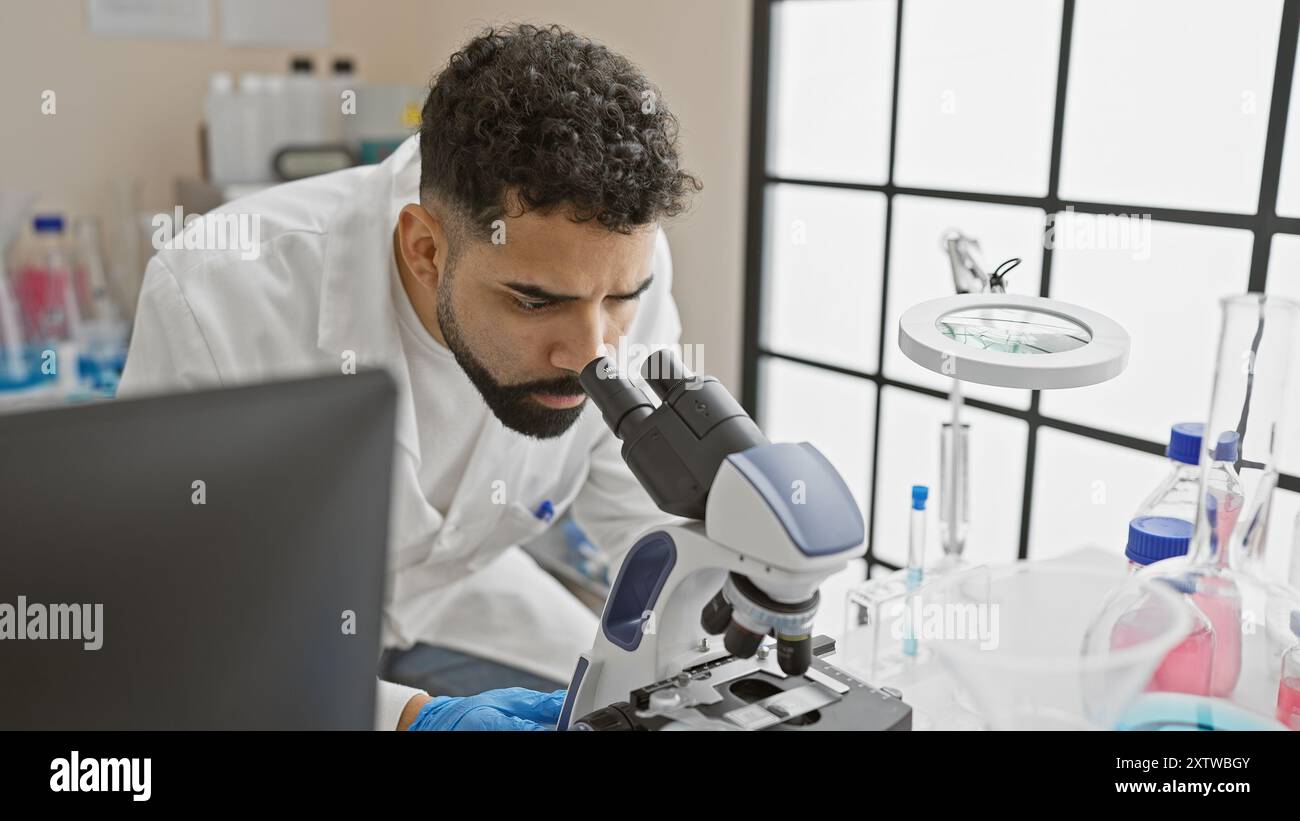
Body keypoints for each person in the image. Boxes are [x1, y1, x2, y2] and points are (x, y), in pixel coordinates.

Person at [116, 23, 700, 730]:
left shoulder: (620, 266)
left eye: (620, 300)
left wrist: (711, 626)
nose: (591, 352)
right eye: (535, 302)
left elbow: (639, 509)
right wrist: (407, 718)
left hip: (457, 595)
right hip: (267, 622)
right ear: (425, 248)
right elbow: (171, 612)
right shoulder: (216, 294)